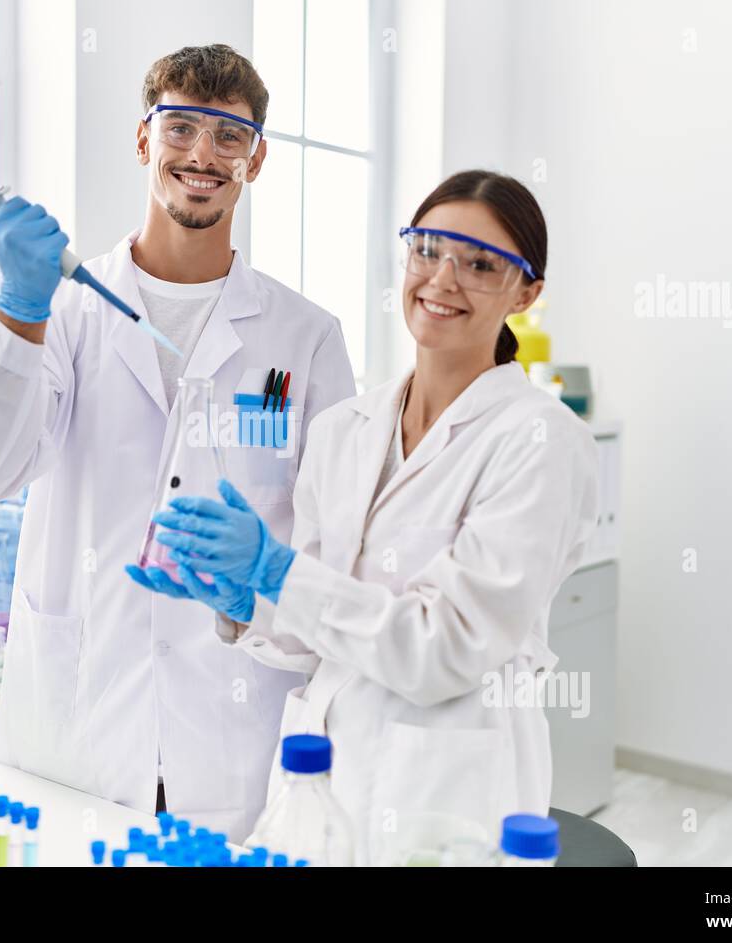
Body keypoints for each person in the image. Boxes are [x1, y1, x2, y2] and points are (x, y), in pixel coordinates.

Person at [0, 45, 356, 841]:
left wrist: (260, 590)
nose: (203, 154)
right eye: (182, 127)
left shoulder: (306, 338)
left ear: (255, 159)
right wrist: (17, 309)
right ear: (143, 141)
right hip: (84, 714)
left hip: (236, 721)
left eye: (229, 136)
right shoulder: (60, 310)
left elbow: (335, 541)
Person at [131, 170, 600, 862]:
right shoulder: (345, 427)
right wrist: (244, 599)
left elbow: (446, 648)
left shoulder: (540, 440)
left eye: (480, 264)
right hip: (323, 775)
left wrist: (278, 571)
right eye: (429, 250)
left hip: (452, 785)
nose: (443, 279)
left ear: (526, 293)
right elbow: (322, 629)